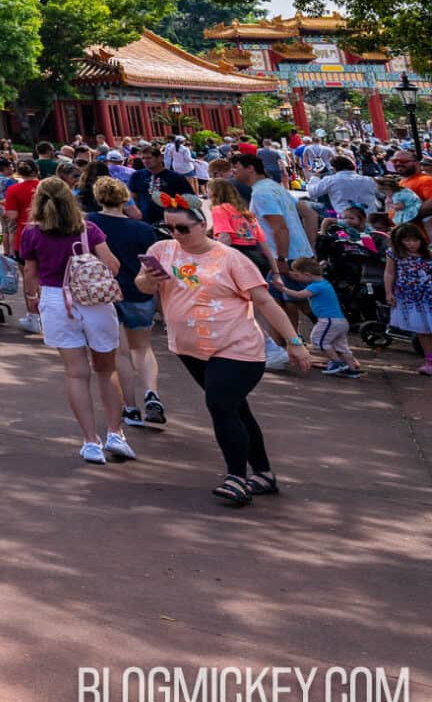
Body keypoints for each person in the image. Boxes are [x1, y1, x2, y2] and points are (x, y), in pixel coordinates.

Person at [138, 199, 309, 506]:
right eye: (170, 227)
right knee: (234, 408)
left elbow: (265, 302)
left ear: (203, 225)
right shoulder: (161, 251)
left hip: (236, 348)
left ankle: (236, 478)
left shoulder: (231, 258)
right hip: (190, 348)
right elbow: (142, 286)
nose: (176, 233)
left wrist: (294, 342)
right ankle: (264, 474)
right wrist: (148, 279)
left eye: (183, 228)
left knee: (219, 403)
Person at [17, 177, 134, 465]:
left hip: (56, 299)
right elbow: (113, 265)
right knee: (106, 371)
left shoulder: (31, 233)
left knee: (75, 372)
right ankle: (116, 433)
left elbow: (30, 272)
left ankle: (90, 440)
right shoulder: (88, 229)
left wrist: (31, 299)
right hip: (93, 300)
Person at [87, 179, 168, 428]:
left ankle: (130, 407)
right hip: (139, 291)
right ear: (125, 199)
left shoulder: (90, 224)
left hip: (106, 292)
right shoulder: (142, 229)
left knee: (120, 353)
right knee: (142, 347)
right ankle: (151, 394)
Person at [277, 259, 361, 378]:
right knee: (340, 346)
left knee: (318, 340)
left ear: (307, 275)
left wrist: (283, 289)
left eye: (298, 275)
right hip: (340, 321)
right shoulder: (325, 283)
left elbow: (299, 295)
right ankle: (351, 367)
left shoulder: (316, 287)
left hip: (329, 320)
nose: (297, 278)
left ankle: (338, 364)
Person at [387, 220, 432, 375]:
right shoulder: (394, 254)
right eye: (407, 240)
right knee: (422, 330)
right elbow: (389, 273)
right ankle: (430, 361)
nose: (411, 244)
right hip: (410, 298)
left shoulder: (428, 253)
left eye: (415, 240)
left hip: (429, 296)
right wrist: (388, 292)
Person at [248, 161, 311, 267]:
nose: (233, 171)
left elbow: (280, 228)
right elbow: (310, 214)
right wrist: (310, 245)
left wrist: (282, 259)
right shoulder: (274, 187)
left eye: (236, 167)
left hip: (286, 259)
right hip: (301, 254)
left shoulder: (261, 193)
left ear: (250, 168)